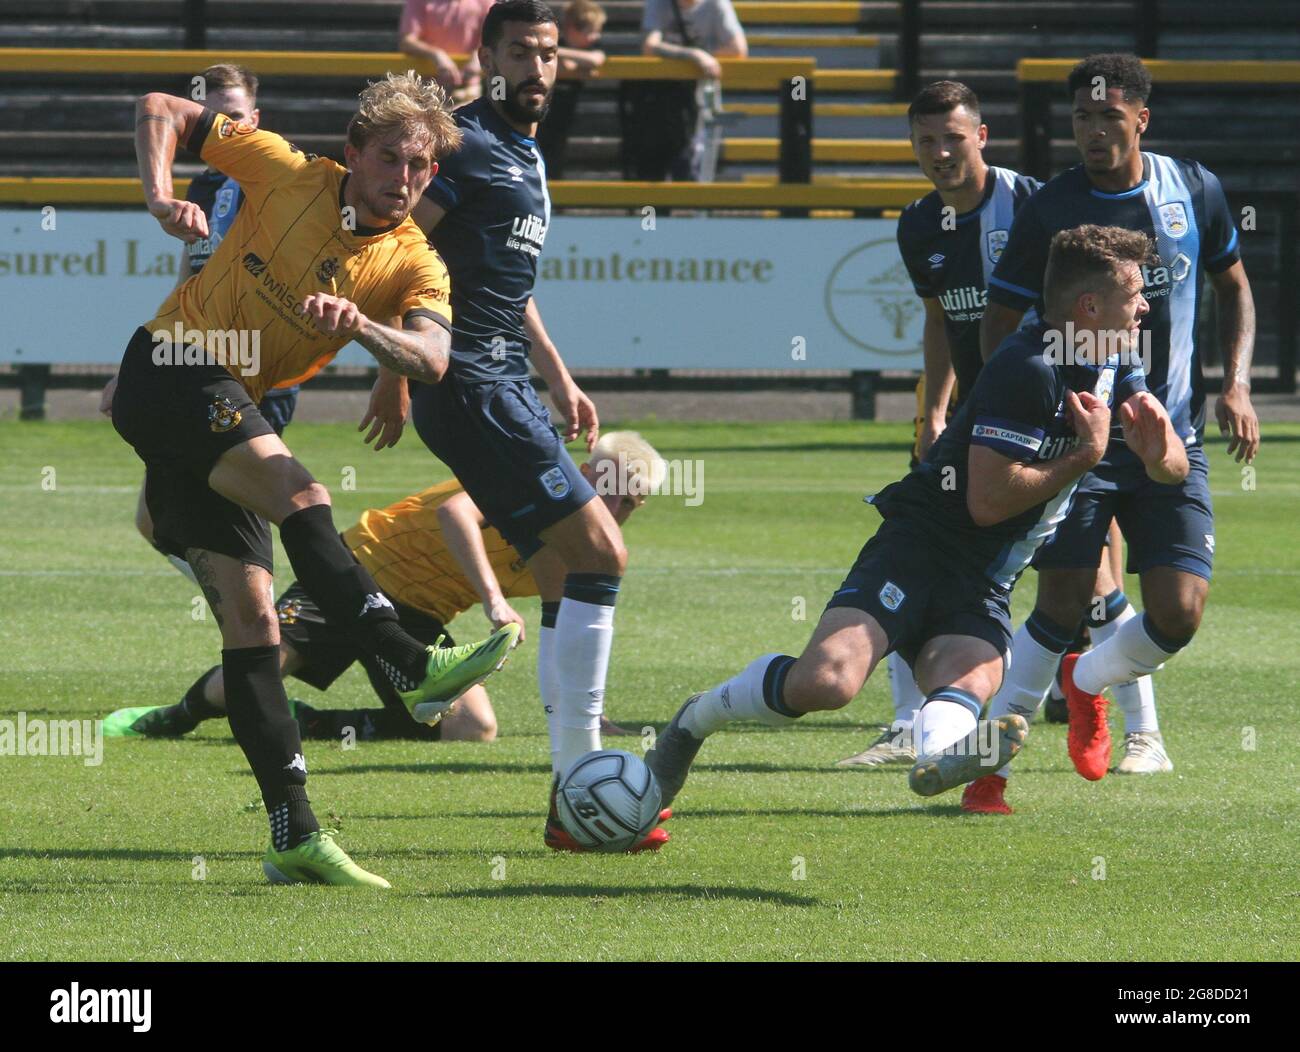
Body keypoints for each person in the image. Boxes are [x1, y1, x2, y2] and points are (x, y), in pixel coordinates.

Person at [108, 71, 520, 887]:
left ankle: (293, 834)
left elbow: (434, 358)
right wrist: (160, 196)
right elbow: (160, 107)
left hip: (223, 405)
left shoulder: (416, 263)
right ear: (354, 152)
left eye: (421, 166)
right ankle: (407, 661)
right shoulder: (284, 169)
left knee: (257, 627)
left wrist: (365, 328)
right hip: (166, 368)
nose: (404, 178)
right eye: (392, 159)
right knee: (304, 493)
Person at [646, 225, 1189, 815]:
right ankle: (693, 720)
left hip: (984, 580)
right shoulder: (1029, 366)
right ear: (1090, 305)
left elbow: (1173, 468)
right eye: (1135, 293)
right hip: (920, 547)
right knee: (826, 685)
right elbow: (988, 502)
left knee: (971, 679)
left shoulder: (1114, 360)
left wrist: (1159, 455)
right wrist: (1085, 455)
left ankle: (938, 760)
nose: (1144, 305)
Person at [969, 53, 1260, 813]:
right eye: (1080, 119)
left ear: (1140, 119)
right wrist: (1012, 403)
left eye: (1107, 117)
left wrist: (1235, 382)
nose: (1093, 133)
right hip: (1080, 442)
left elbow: (1234, 284)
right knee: (1058, 601)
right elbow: (1001, 316)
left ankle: (1088, 678)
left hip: (1168, 433)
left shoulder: (1192, 189)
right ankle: (989, 772)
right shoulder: (1050, 207)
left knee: (1180, 612)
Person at [396, 1, 652, 852]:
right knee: (602, 555)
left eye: (549, 52)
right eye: (521, 52)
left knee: (554, 568)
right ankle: (582, 782)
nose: (538, 67)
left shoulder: (528, 151)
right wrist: (397, 368)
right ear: (487, 53)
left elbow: (509, 281)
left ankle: (569, 801)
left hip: (505, 379)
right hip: (468, 380)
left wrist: (559, 373)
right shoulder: (461, 145)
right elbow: (399, 253)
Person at [103, 432, 664, 745]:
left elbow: (565, 630)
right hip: (355, 570)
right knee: (260, 668)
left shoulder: (581, 552)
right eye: (611, 490)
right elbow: (455, 514)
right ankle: (174, 718)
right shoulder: (534, 483)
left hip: (417, 615)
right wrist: (493, 599)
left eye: (631, 504)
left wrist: (589, 713)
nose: (617, 510)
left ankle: (315, 724)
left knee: (474, 729)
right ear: (587, 471)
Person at [834, 80, 1041, 770]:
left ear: (980, 136)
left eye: (952, 137)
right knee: (913, 542)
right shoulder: (919, 223)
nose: (939, 151)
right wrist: (934, 409)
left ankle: (1137, 725)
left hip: (1041, 419)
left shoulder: (1031, 204)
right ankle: (909, 724)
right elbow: (936, 318)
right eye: (925, 140)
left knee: (1086, 570)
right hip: (967, 425)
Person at [98, 64, 301, 582]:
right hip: (197, 365)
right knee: (155, 520)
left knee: (230, 520)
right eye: (212, 119)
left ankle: (288, 614)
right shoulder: (204, 186)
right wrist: (144, 362)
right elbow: (191, 281)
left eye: (233, 117)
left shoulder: (279, 184)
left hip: (251, 368)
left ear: (256, 120)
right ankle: (263, 614)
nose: (224, 130)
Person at [625, 0, 747, 181]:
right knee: (653, 164)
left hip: (695, 97)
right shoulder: (659, 3)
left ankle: (693, 205)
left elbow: (738, 49)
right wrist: (694, 55)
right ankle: (657, 208)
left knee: (691, 159)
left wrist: (698, 57)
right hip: (658, 98)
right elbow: (649, 47)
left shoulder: (715, 4)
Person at [537, 0, 608, 179]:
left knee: (557, 153)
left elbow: (595, 59)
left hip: (565, 109)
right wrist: (573, 62)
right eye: (591, 31)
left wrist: (557, 52)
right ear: (571, 29)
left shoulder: (588, 47)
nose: (596, 37)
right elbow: (562, 67)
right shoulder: (556, 40)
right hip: (543, 109)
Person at [398, 0, 496, 98]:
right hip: (426, 90)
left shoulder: (486, 2)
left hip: (467, 90)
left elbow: (493, 38)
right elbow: (407, 41)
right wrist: (437, 55)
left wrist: (478, 57)